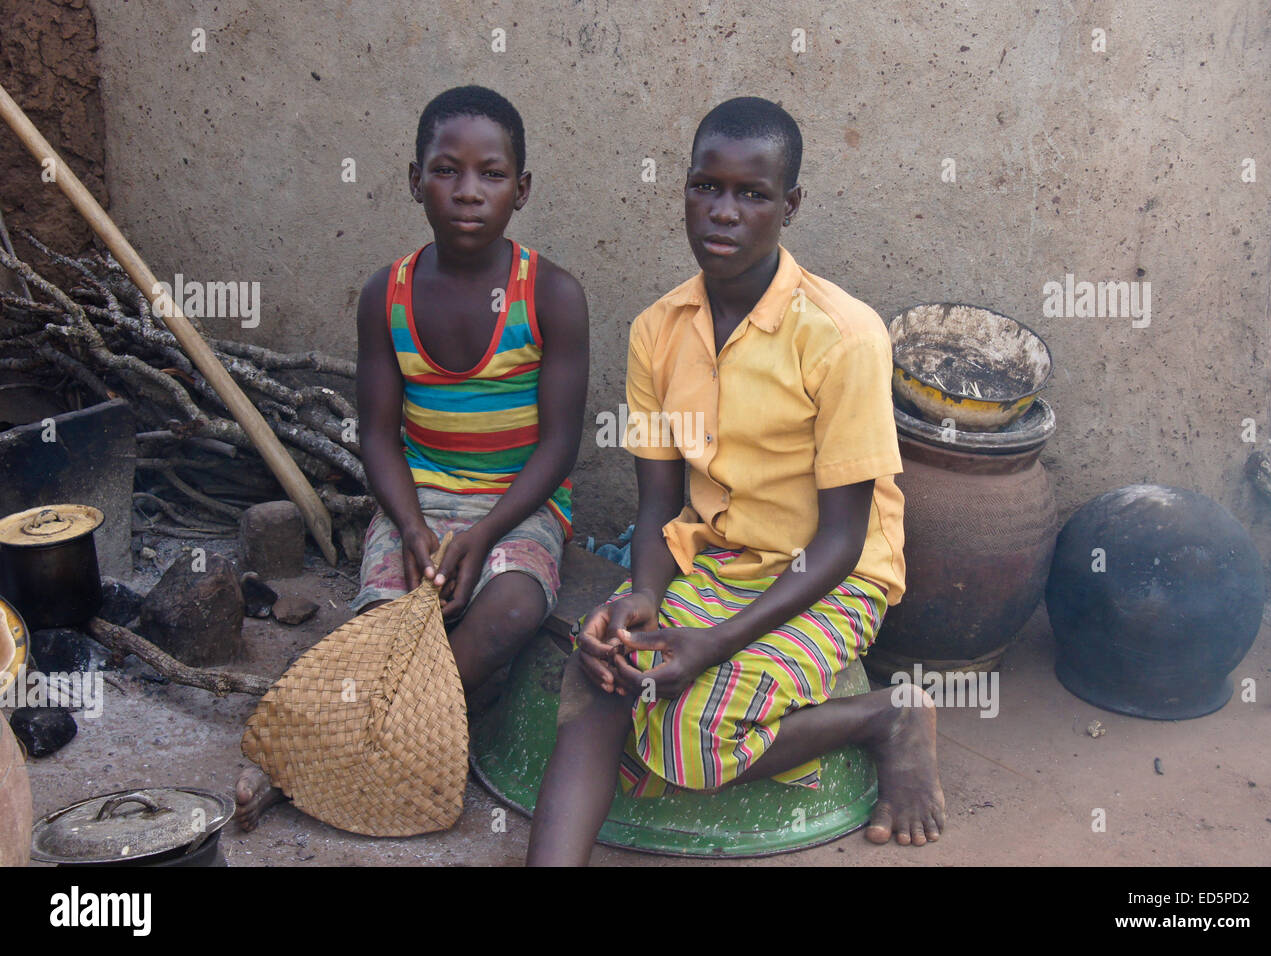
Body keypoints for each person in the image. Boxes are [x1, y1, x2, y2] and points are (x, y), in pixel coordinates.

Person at [526, 97, 943, 866]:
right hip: (717, 558)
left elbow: (845, 539)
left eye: (751, 195)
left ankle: (886, 717)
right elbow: (659, 504)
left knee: (692, 731)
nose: (722, 212)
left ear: (789, 207)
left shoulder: (843, 336)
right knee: (605, 677)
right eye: (704, 187)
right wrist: (643, 596)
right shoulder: (657, 329)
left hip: (829, 575)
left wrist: (714, 642)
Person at [236, 85, 589, 831]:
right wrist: (410, 525)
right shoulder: (385, 295)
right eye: (445, 171)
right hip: (417, 507)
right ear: (412, 180)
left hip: (516, 508)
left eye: (491, 175)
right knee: (385, 618)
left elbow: (559, 445)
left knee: (512, 608)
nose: (468, 192)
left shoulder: (552, 294)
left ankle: (375, 731)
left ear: (520, 191)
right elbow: (376, 436)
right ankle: (396, 733)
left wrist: (488, 532)